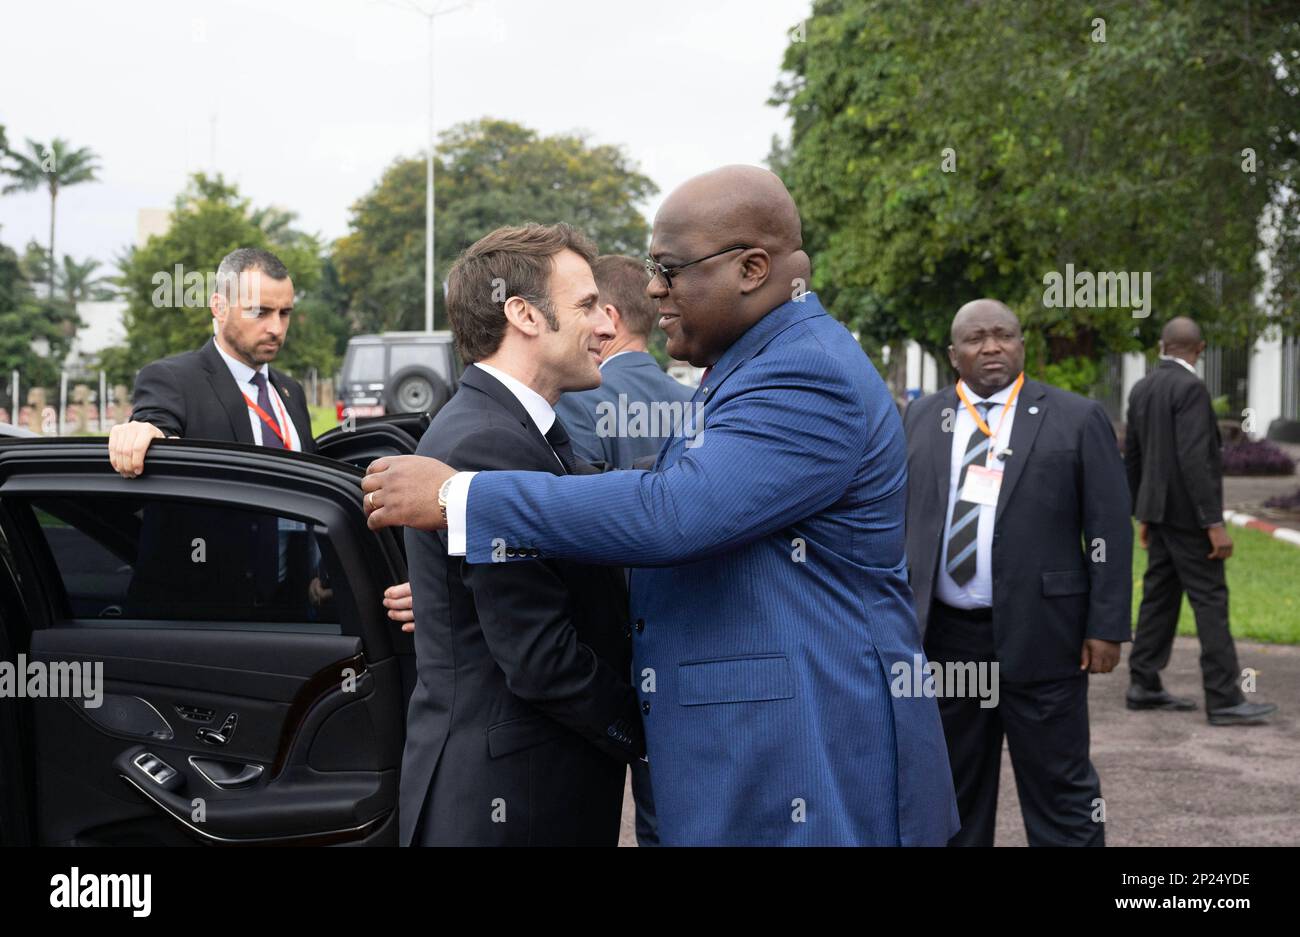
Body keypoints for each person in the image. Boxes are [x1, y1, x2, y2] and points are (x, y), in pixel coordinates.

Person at [361, 165, 959, 846]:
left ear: (752, 268)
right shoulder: (754, 364)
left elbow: (676, 510)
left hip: (805, 763)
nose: (649, 290)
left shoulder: (804, 371)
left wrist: (456, 498)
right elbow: (675, 503)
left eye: (669, 270)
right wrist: (455, 586)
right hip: (749, 762)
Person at [398, 223, 643, 846]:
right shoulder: (487, 440)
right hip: (507, 806)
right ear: (524, 314)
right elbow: (540, 660)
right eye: (587, 305)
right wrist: (638, 730)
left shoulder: (511, 428)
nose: (607, 327)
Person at [902, 299, 1132, 847]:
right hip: (947, 642)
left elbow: (1108, 529)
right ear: (954, 354)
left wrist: (1106, 625)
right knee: (954, 794)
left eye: (1003, 335)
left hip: (1044, 636)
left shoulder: (1076, 417)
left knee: (1062, 789)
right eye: (977, 338)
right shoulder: (918, 418)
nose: (991, 347)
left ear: (1021, 345)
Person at [106, 246, 414, 627]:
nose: (277, 328)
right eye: (261, 312)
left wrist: (317, 575)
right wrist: (142, 431)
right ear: (219, 307)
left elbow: (306, 493)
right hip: (200, 620)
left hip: (291, 611)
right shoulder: (172, 379)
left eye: (285, 313)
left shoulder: (290, 392)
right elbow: (156, 421)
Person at [552, 253, 692, 846]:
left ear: (608, 316)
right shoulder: (697, 406)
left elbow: (568, 527)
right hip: (687, 647)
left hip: (603, 657)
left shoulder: (578, 401)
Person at [1124, 317, 1278, 726]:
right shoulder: (1190, 388)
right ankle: (1224, 697)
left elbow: (1133, 455)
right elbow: (1195, 460)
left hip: (1159, 515)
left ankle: (1143, 682)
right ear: (1201, 348)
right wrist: (1213, 522)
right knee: (1210, 600)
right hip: (1190, 519)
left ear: (1162, 345)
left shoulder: (1142, 388)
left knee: (1159, 597)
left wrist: (1142, 513)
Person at [554, 254, 692, 468]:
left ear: (609, 316)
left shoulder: (574, 400)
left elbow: (573, 492)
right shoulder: (695, 401)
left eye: (587, 308)